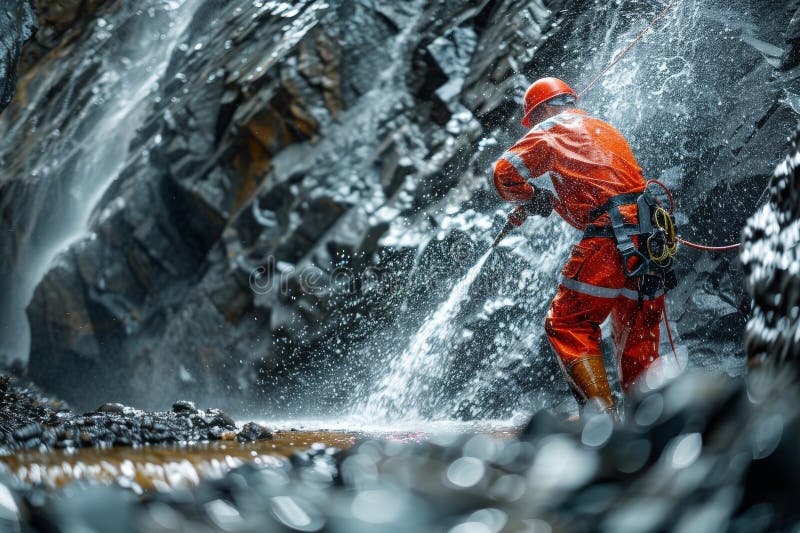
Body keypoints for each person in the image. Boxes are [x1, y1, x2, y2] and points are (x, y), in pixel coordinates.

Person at [492, 77, 664, 418]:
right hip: (650, 240)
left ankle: (602, 425)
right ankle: (650, 426)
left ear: (540, 111)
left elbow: (503, 172)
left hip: (610, 242)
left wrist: (531, 196)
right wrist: (548, 200)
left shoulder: (552, 128)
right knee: (636, 337)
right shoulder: (603, 129)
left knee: (567, 323)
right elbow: (603, 196)